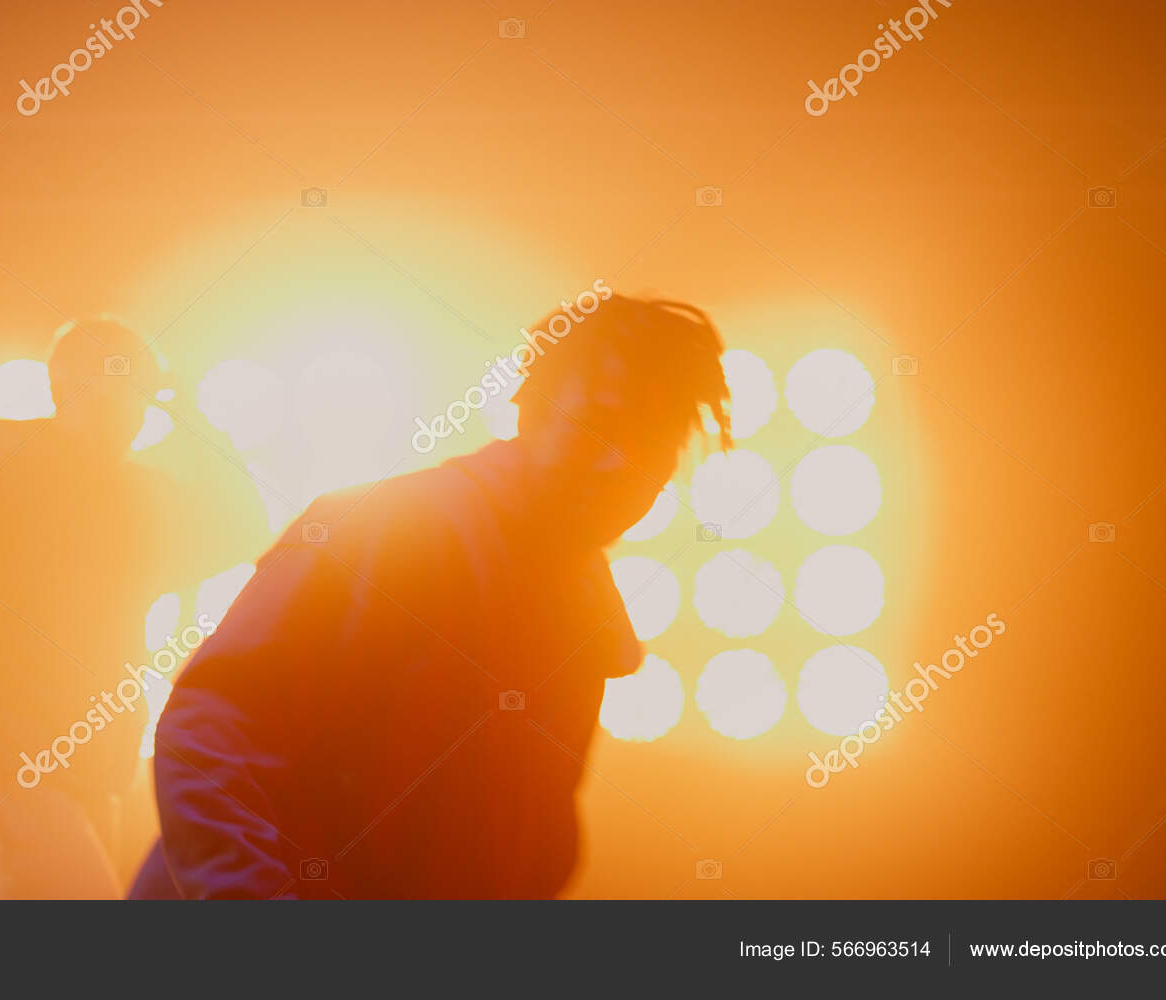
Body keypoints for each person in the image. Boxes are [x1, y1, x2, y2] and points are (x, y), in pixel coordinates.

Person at [130, 293, 733, 899]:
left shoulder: (581, 616)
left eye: (652, 443)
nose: (620, 464)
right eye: (599, 425)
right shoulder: (392, 529)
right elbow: (211, 733)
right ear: (530, 413)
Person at [0, 318, 250, 898]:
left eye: (144, 392)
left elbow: (240, 528)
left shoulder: (130, 500)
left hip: (93, 779)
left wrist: (191, 415)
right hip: (11, 772)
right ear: (77, 387)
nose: (137, 409)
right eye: (128, 387)